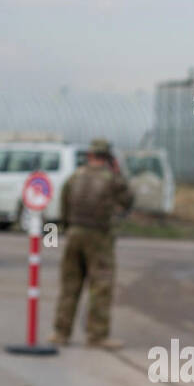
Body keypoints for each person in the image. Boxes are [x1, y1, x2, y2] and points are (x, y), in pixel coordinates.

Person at [49, 137, 132, 348]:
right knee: (101, 286)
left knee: (70, 285)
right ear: (108, 158)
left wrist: (69, 228)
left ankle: (61, 332)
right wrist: (118, 172)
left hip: (75, 234)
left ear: (89, 155)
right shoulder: (112, 179)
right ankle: (97, 335)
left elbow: (64, 206)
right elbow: (128, 200)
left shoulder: (74, 177)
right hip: (99, 236)